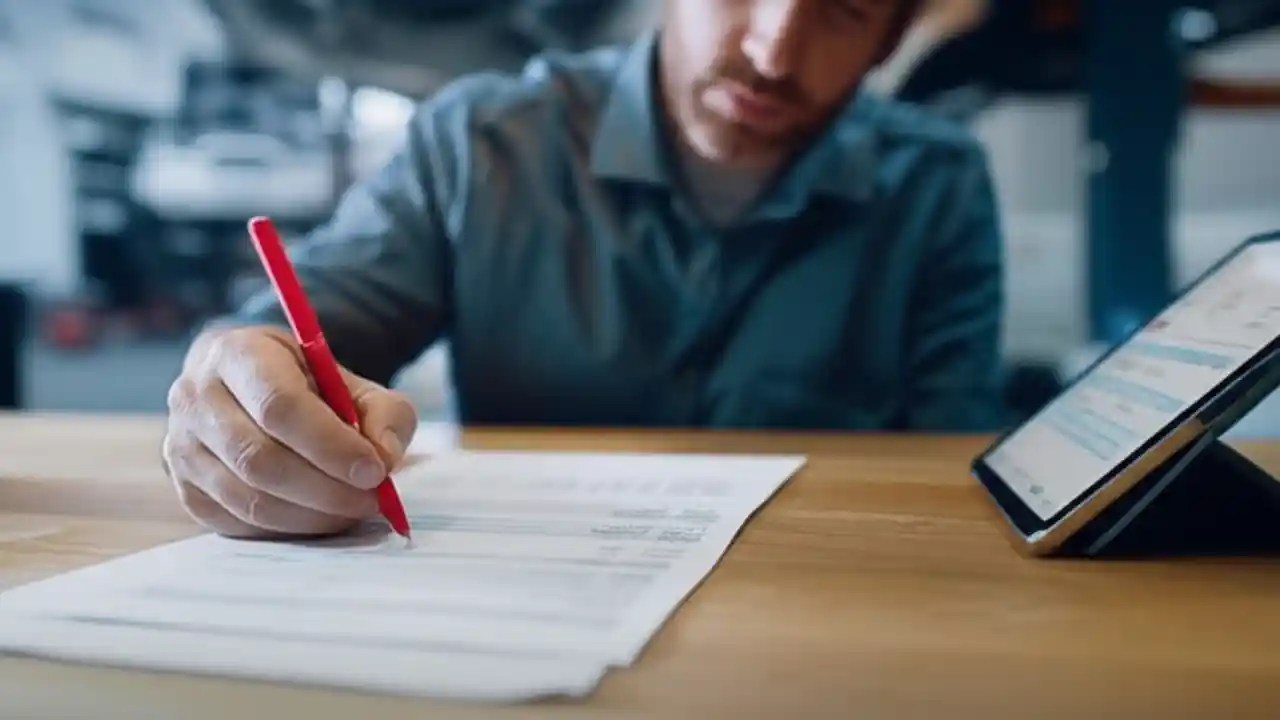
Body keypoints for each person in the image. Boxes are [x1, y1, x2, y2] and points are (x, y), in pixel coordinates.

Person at [163, 0, 1005, 539]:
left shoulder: (938, 185)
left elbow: (952, 473)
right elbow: (298, 334)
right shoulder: (482, 142)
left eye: (845, 12)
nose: (775, 49)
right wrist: (243, 392)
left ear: (888, 42)